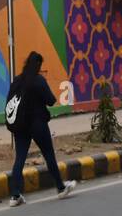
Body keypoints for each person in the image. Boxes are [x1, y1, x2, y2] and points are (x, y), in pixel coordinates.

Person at [6, 51, 76, 206]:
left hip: (20, 126)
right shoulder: (38, 80)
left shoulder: (17, 81)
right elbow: (51, 101)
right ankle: (60, 187)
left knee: (20, 159)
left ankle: (15, 195)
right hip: (38, 124)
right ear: (38, 65)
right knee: (49, 155)